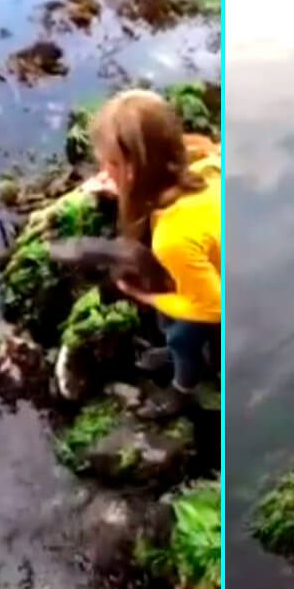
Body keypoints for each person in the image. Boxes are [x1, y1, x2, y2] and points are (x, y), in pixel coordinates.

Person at [81, 90, 222, 419]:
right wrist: (120, 188)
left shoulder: (173, 236)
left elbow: (214, 307)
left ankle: (183, 388)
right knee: (171, 327)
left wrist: (148, 296)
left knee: (183, 338)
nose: (103, 169)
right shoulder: (205, 161)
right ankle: (179, 354)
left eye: (112, 164)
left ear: (135, 170)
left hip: (211, 298)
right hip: (203, 268)